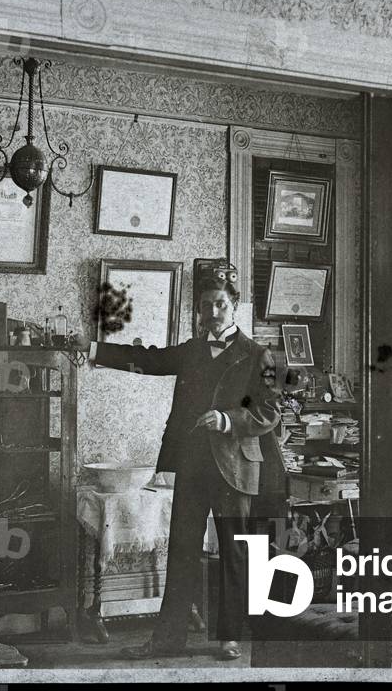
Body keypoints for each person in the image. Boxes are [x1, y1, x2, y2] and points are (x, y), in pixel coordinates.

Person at [73, 269, 280, 661]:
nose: (213, 312)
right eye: (206, 306)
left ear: (235, 306)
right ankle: (168, 639)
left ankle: (229, 637)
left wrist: (228, 420)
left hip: (236, 469)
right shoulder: (191, 351)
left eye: (221, 304)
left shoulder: (259, 355)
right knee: (182, 552)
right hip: (193, 465)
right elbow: (147, 359)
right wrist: (94, 348)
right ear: (198, 311)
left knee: (235, 553)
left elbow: (271, 411)